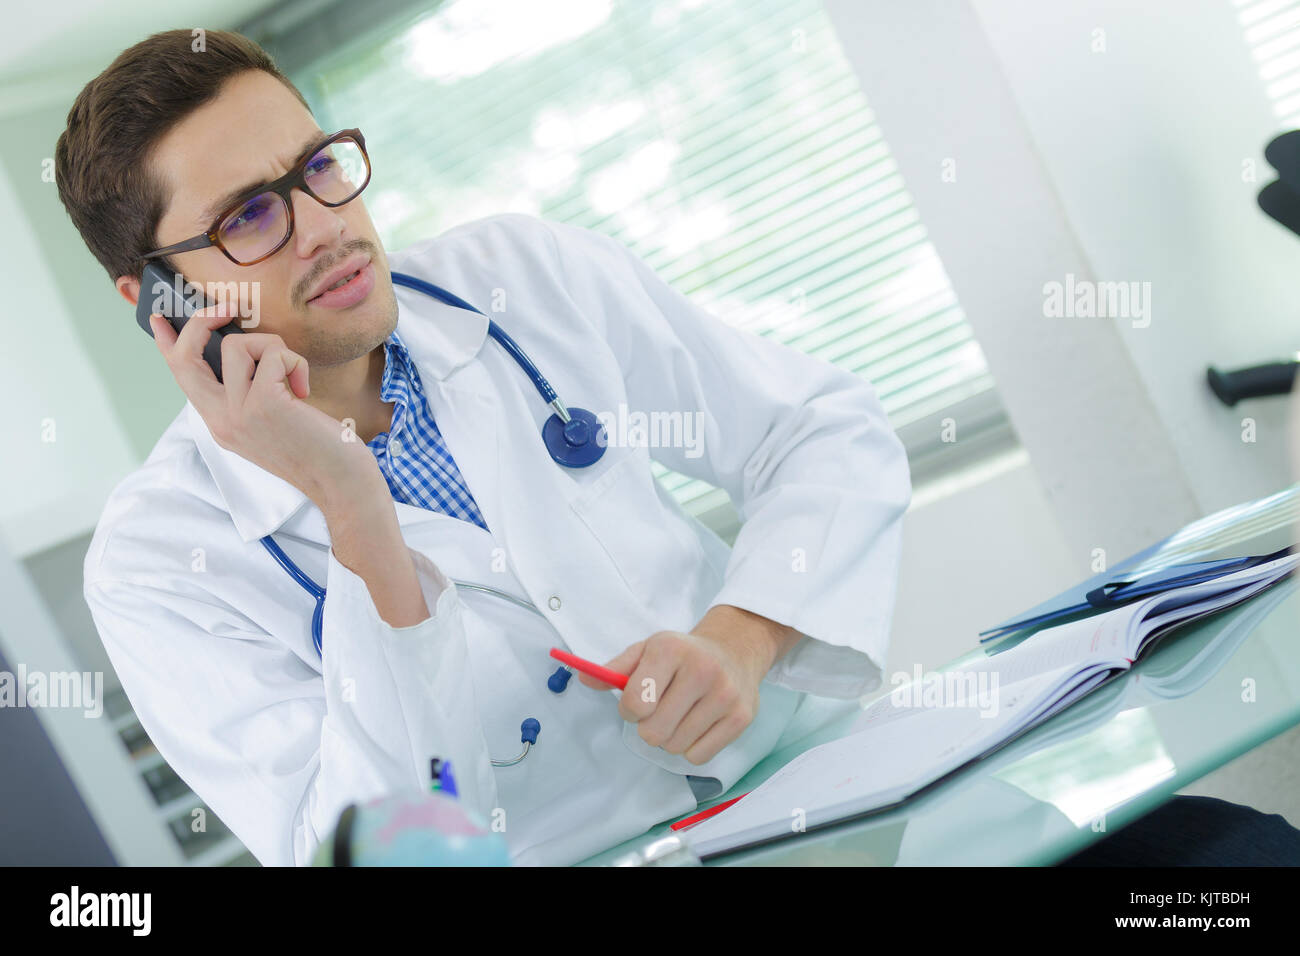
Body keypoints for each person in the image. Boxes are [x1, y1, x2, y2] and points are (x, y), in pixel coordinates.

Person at [57, 29, 911, 866]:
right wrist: (354, 512)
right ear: (159, 302)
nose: (322, 226)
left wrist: (744, 638)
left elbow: (815, 430)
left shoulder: (522, 274)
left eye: (318, 168)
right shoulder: (156, 564)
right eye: (249, 216)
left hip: (822, 795)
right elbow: (368, 855)